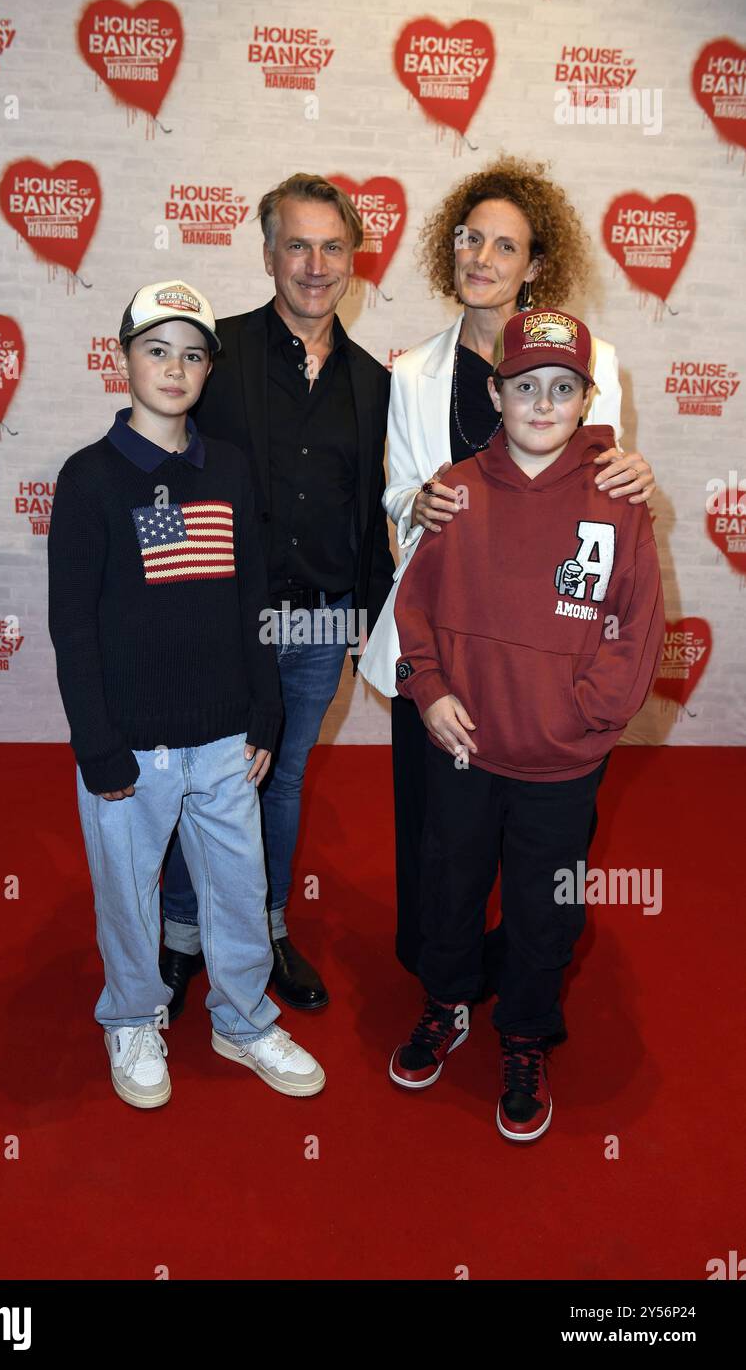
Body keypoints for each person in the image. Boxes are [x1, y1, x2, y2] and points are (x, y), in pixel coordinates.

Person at [358, 155, 657, 976]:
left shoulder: (590, 363)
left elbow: (604, 484)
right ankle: (438, 974)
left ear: (535, 265)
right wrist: (412, 503)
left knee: (539, 835)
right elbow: (391, 492)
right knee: (438, 826)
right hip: (446, 644)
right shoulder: (414, 372)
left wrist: (633, 471)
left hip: (545, 647)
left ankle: (528, 973)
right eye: (470, 239)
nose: (481, 259)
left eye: (505, 246)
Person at [47, 279, 325, 1109]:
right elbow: (75, 626)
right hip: (129, 746)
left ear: (209, 371)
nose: (174, 368)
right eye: (156, 349)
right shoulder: (89, 478)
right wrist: (97, 742)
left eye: (193, 354)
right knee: (128, 898)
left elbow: (248, 603)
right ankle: (133, 1016)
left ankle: (242, 1020)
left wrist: (265, 710)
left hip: (223, 740)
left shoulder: (229, 470)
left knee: (240, 891)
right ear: (124, 357)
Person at [389, 308, 664, 1140]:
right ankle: (447, 1002)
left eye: (562, 388)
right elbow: (417, 606)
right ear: (496, 393)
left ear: (586, 398)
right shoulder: (456, 490)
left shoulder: (617, 500)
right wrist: (431, 692)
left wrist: (579, 720)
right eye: (524, 387)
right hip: (464, 751)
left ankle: (526, 1033)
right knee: (450, 885)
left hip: (560, 765)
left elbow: (637, 627)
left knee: (549, 910)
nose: (542, 405)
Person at [159, 175, 393, 1016]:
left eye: (333, 246)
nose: (315, 263)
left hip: (320, 619)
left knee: (282, 781)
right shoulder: (213, 355)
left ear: (353, 262)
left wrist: (372, 615)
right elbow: (165, 474)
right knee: (209, 780)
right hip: (226, 620)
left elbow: (371, 508)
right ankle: (182, 935)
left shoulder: (375, 382)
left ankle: (265, 928)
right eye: (298, 244)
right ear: (267, 255)